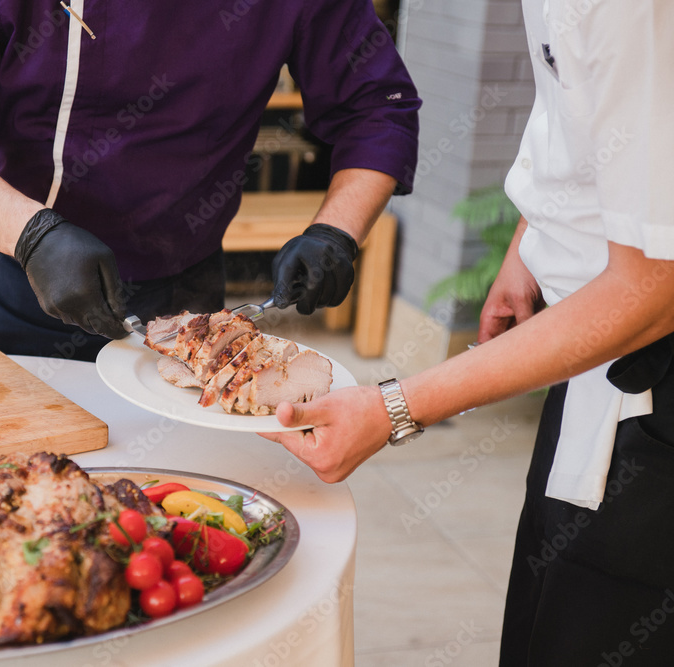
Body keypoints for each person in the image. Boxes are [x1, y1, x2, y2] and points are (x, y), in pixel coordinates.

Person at [261, 2, 674, 663]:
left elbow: (653, 288)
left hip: (648, 385)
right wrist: (531, 239)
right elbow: (584, 118)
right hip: (590, 365)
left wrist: (392, 406)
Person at [0, 1, 420, 361]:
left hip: (184, 297)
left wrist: (335, 232)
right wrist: (31, 235)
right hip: (11, 279)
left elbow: (376, 107)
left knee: (166, 507)